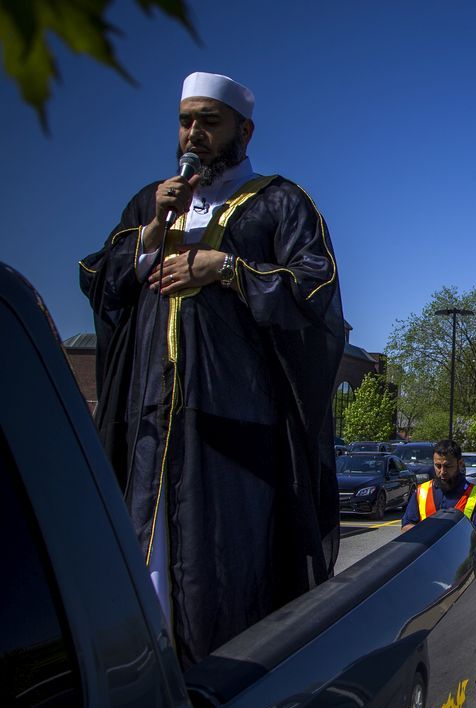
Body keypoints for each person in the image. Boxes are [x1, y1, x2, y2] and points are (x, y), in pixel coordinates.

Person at [79, 72, 345, 668]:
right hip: (150, 420)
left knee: (223, 567)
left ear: (244, 130)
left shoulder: (279, 201)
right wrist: (151, 234)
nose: (193, 133)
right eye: (185, 120)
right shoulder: (151, 201)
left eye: (209, 121)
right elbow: (98, 282)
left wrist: (225, 269)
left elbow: (316, 288)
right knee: (140, 559)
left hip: (237, 427)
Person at [401, 439, 476, 541]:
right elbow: (406, 527)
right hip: (427, 555)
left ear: (460, 463)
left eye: (448, 466)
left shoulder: (474, 495)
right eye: (438, 466)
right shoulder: (421, 492)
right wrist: (427, 534)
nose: (442, 471)